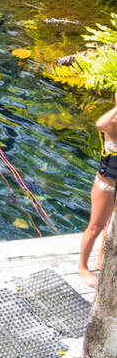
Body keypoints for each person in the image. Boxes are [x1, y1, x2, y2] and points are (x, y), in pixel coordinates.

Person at [79, 92, 117, 285]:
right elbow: (100, 124)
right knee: (96, 226)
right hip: (107, 184)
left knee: (112, 224)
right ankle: (82, 267)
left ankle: (101, 259)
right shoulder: (112, 125)